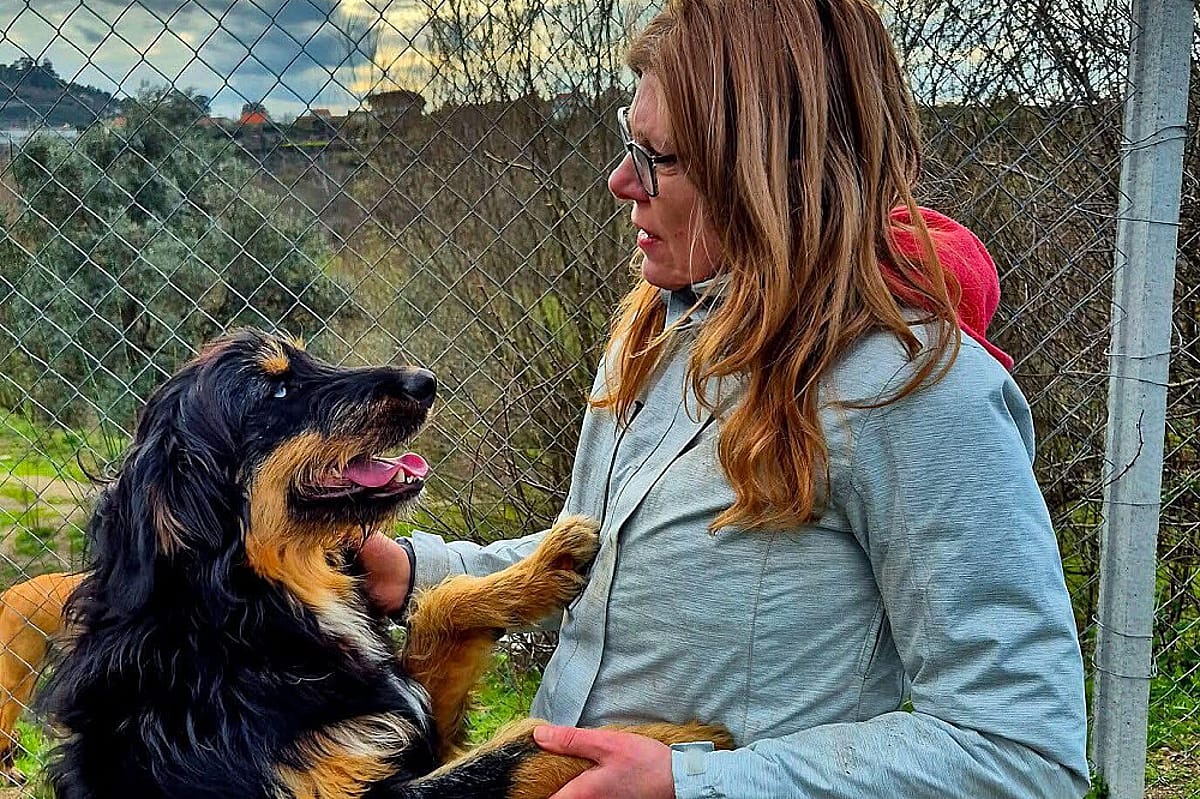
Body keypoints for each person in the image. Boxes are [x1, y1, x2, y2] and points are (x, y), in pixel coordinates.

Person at [359, 0, 1090, 796]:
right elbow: (607, 561)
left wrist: (693, 782)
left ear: (777, 169)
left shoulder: (916, 391)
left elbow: (1021, 750)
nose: (619, 180)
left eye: (659, 157)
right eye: (625, 139)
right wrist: (412, 569)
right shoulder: (657, 332)